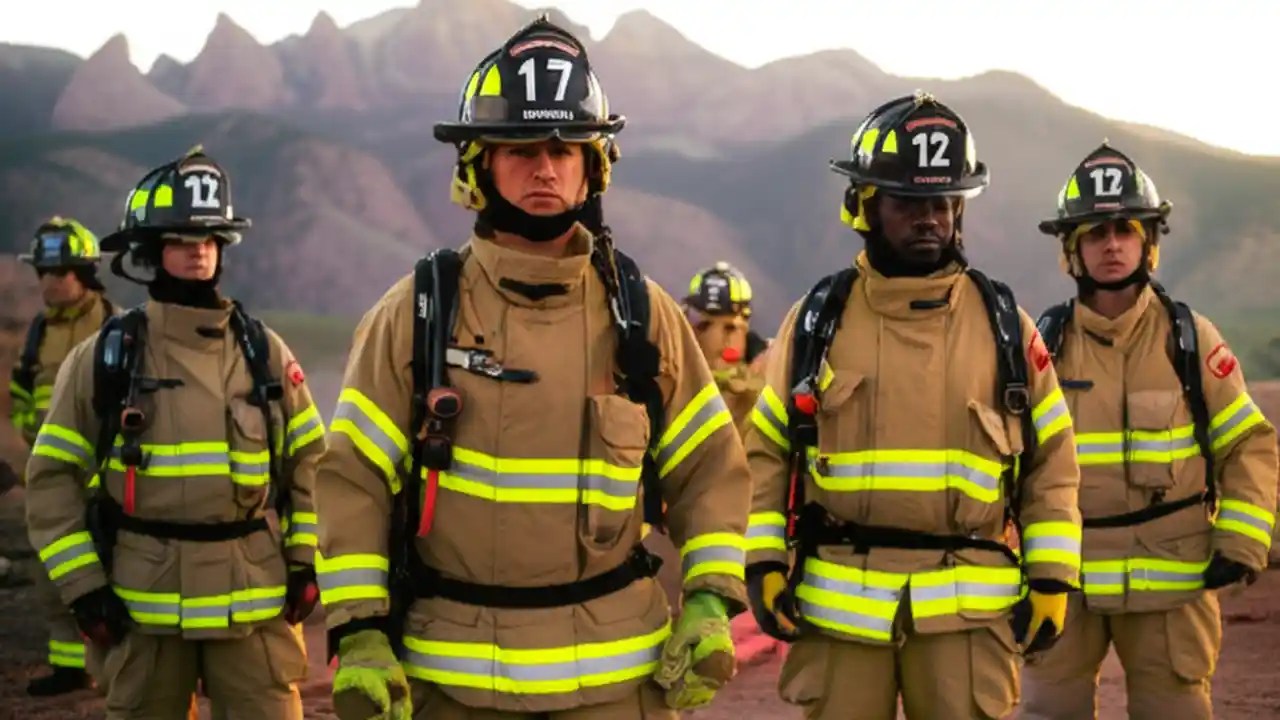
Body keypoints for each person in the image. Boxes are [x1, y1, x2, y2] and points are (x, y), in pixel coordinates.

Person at [316, 16, 751, 720]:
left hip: (617, 678)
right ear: (478, 164)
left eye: (564, 147)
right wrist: (361, 630)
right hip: (452, 679)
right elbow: (353, 479)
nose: (544, 167)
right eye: (519, 147)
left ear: (593, 164)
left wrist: (708, 597)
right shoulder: (417, 313)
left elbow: (710, 469)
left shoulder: (645, 316)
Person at [741, 91, 1083, 720]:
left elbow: (1052, 464)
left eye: (943, 203)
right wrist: (763, 558)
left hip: (967, 613)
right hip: (840, 610)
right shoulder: (817, 321)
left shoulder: (1007, 326)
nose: (928, 218)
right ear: (864, 206)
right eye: (907, 202)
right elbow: (765, 452)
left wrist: (1054, 576)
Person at [23, 146, 325, 719]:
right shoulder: (106, 357)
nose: (199, 252)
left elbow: (311, 464)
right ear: (150, 253)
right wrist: (85, 588)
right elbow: (53, 478)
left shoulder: (263, 353)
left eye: (210, 240)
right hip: (146, 612)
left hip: (253, 609)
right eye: (183, 240)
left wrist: (304, 559)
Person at [1019, 142, 1279, 720]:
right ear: (1072, 250)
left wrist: (1241, 540)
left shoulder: (1191, 340)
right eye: (1094, 232)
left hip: (1172, 573)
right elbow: (1014, 459)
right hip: (1069, 577)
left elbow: (1248, 444)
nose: (1111, 243)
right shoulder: (1044, 345)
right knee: (1046, 712)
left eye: (1125, 228)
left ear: (1148, 242)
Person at [10, 216, 117, 696]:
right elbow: (20, 394)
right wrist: (33, 440)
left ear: (85, 273)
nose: (49, 283)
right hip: (51, 474)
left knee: (110, 572)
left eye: (59, 273)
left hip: (101, 477)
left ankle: (120, 670)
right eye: (43, 274)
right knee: (51, 571)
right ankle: (70, 667)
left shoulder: (116, 327)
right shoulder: (38, 333)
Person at [682, 262, 770, 433]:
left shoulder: (768, 381)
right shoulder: (672, 381)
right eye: (704, 325)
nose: (724, 340)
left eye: (731, 327)